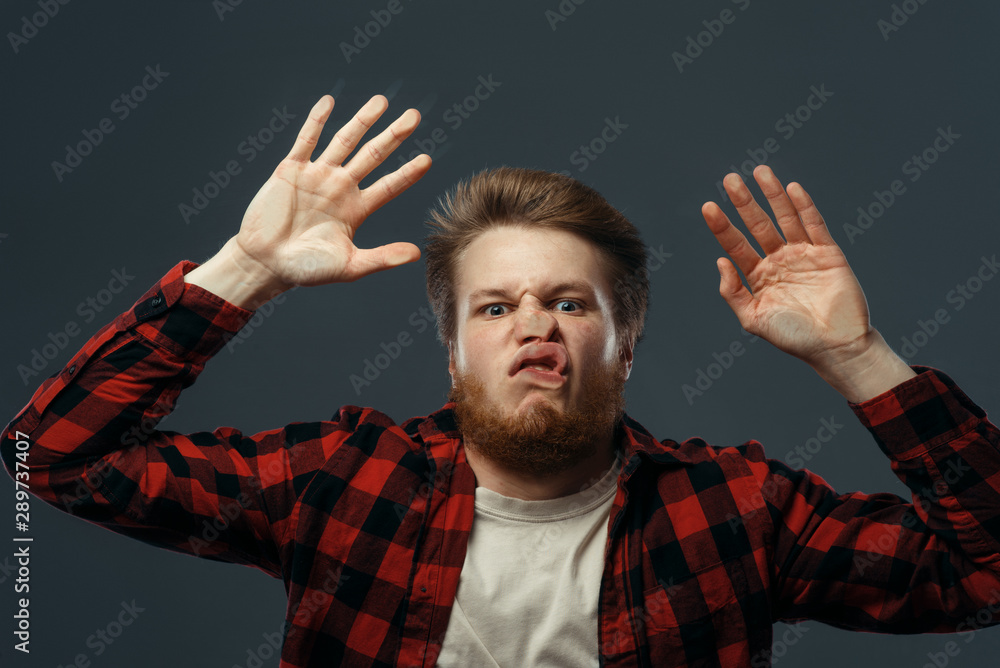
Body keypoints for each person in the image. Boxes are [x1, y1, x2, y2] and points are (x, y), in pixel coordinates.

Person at [3, 94, 1000, 668]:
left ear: (628, 336)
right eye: (495, 306)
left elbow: (986, 574)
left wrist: (857, 356)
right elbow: (50, 456)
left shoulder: (735, 508)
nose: (534, 325)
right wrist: (245, 269)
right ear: (452, 348)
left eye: (569, 302)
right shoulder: (344, 480)